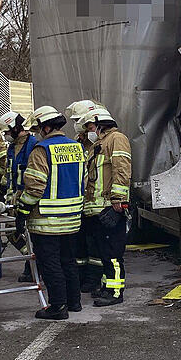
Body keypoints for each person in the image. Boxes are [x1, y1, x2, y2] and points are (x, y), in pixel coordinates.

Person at [15, 105, 85, 320]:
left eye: (38, 129)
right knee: (68, 260)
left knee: (50, 263)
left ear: (45, 127)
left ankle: (58, 306)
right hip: (72, 218)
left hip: (46, 221)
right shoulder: (77, 147)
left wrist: (22, 211)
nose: (37, 134)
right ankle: (74, 302)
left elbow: (35, 187)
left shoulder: (41, 150)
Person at [81, 107, 132, 306]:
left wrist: (118, 200)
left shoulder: (117, 139)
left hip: (110, 206)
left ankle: (115, 293)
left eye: (90, 127)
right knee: (104, 253)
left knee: (112, 254)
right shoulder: (99, 144)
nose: (89, 132)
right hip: (97, 208)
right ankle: (106, 288)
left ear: (100, 125)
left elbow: (122, 169)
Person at [66, 100, 105, 292]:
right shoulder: (78, 141)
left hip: (97, 201)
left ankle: (94, 279)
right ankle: (81, 277)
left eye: (78, 120)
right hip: (81, 201)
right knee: (80, 244)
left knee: (96, 245)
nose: (76, 124)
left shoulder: (100, 142)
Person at [0, 110, 39, 281]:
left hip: (28, 198)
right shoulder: (12, 147)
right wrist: (1, 190)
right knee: (12, 231)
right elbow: (9, 172)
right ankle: (32, 259)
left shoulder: (33, 145)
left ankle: (33, 266)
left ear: (15, 128)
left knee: (30, 233)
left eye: (7, 132)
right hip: (13, 199)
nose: (6, 136)